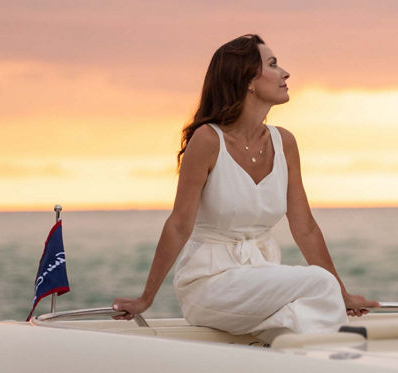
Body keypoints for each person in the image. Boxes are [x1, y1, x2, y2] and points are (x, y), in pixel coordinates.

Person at [112, 34, 378, 342]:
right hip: (210, 285)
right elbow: (179, 225)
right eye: (273, 64)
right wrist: (146, 298)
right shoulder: (208, 140)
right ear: (248, 80)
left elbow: (304, 227)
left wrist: (342, 293)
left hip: (260, 279)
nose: (285, 73)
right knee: (319, 284)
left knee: (309, 308)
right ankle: (335, 366)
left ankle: (294, 367)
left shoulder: (284, 142)